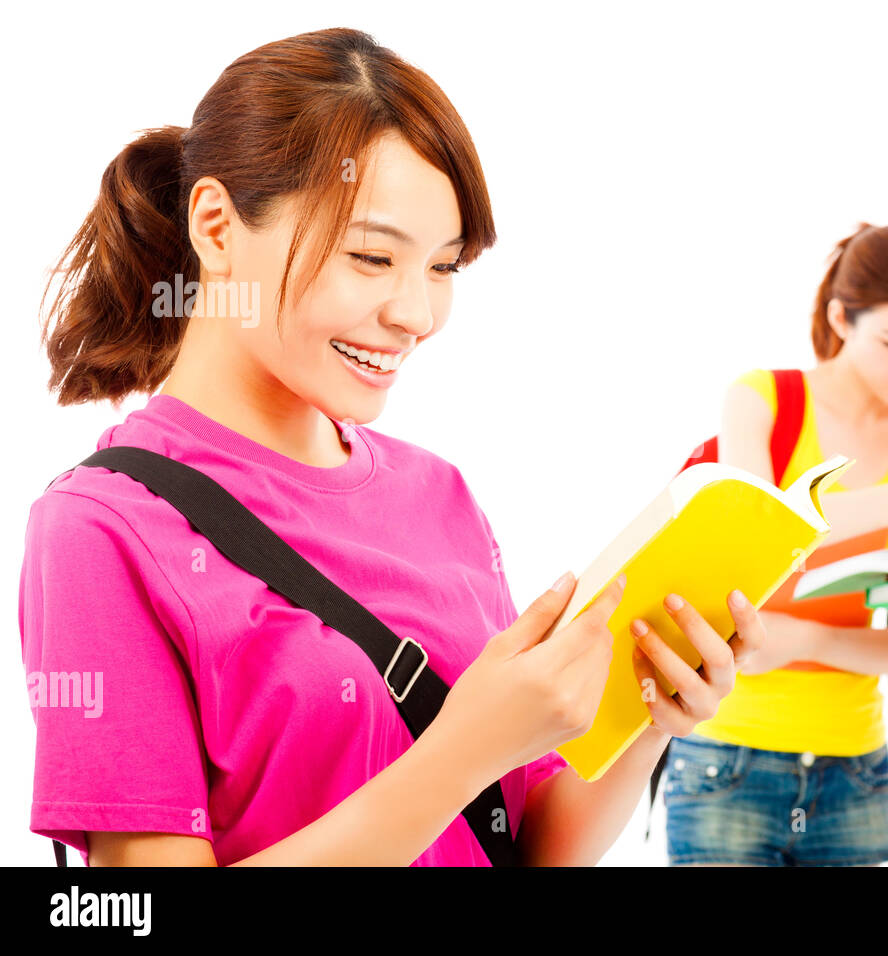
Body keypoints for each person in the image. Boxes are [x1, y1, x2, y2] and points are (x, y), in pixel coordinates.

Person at [20, 27, 767, 867]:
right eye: (372, 257)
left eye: (443, 268)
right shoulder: (100, 529)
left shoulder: (438, 492)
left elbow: (523, 843)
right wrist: (461, 753)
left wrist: (646, 714)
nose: (416, 313)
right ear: (218, 226)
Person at [662, 222, 888, 866]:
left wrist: (823, 638)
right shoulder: (763, 401)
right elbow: (759, 536)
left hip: (858, 774)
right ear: (841, 318)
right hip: (725, 761)